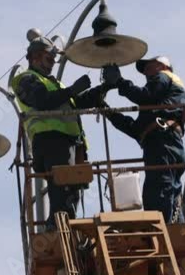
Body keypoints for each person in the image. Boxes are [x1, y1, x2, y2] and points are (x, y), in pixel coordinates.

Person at [10, 30, 116, 230]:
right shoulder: (26, 79)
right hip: (50, 141)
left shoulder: (56, 84)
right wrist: (72, 90)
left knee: (71, 191)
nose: (52, 63)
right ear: (34, 57)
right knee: (62, 188)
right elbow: (42, 101)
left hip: (69, 144)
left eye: (53, 60)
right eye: (48, 59)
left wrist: (106, 87)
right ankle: (58, 227)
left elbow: (77, 103)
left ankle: (65, 227)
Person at [101, 56, 185, 224]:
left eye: (149, 68)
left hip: (164, 142)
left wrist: (119, 82)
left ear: (163, 66)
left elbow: (145, 95)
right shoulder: (156, 108)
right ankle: (174, 229)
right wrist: (107, 111)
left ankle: (161, 230)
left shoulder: (164, 76)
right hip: (164, 142)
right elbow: (135, 129)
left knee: (159, 190)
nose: (146, 73)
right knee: (168, 190)